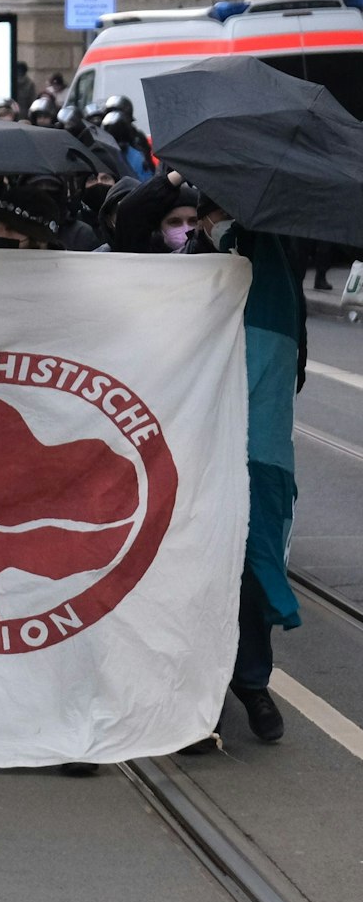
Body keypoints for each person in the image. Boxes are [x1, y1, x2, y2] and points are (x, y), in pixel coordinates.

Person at [181, 190, 302, 749]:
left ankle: (251, 682)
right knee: (197, 570)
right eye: (209, 214)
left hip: (258, 446)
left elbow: (291, 361)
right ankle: (198, 702)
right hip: (196, 447)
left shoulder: (275, 264)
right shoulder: (184, 267)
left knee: (251, 571)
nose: (212, 222)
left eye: (224, 213)